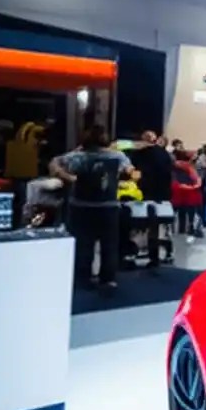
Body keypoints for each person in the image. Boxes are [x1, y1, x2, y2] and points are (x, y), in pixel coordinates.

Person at [50, 125, 133, 292]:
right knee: (109, 245)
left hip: (81, 206)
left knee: (83, 245)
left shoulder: (78, 157)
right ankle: (108, 280)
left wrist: (68, 177)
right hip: (108, 206)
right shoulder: (117, 156)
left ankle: (83, 278)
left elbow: (54, 163)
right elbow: (130, 171)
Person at [126, 130, 175, 267]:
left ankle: (135, 254)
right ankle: (157, 256)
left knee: (138, 226)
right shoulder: (164, 154)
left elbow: (134, 173)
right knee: (159, 228)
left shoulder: (137, 154)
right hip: (162, 197)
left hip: (142, 194)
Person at [170, 150, 204, 238]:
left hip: (176, 192)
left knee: (175, 212)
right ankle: (191, 228)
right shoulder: (191, 168)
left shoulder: (174, 166)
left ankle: (174, 230)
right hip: (190, 193)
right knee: (191, 213)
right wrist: (194, 186)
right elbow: (197, 180)